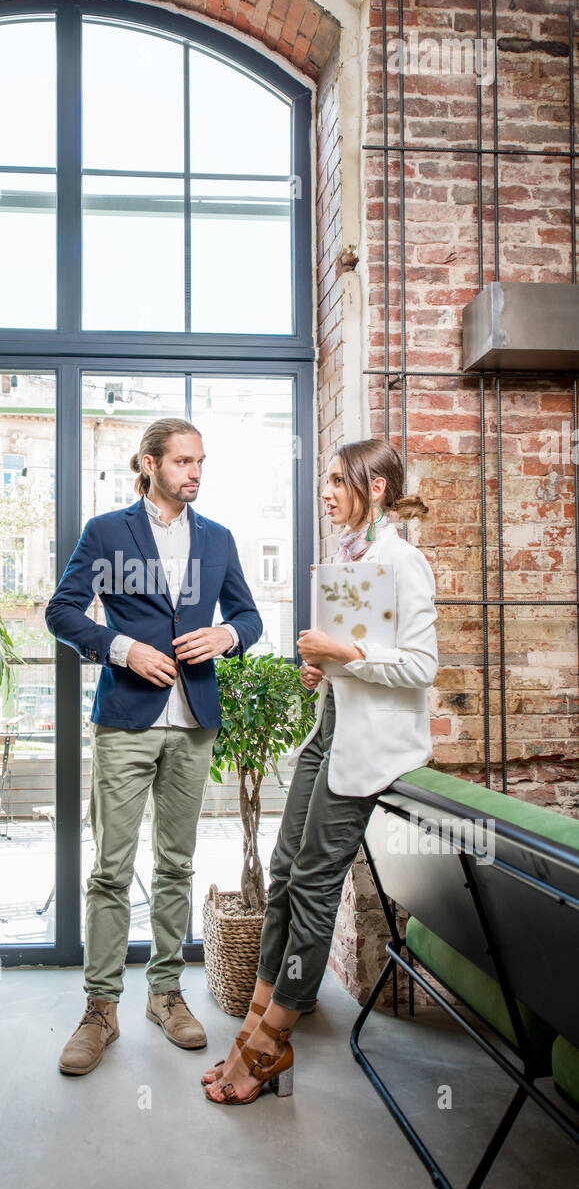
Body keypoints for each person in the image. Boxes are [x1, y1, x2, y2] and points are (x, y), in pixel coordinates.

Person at [203, 437, 439, 1105]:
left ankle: (272, 1040)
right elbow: (353, 660)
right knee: (283, 874)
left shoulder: (404, 563)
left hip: (371, 746)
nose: (327, 491)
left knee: (310, 886)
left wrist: (342, 651)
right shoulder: (345, 559)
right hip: (328, 731)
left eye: (340, 480)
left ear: (379, 489)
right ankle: (254, 1018)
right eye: (327, 480)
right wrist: (322, 667)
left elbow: (420, 668)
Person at [46, 417, 263, 1076]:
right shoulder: (107, 532)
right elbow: (62, 611)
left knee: (176, 864)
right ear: (149, 464)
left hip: (194, 720)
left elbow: (249, 616)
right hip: (124, 721)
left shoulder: (218, 539)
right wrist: (121, 648)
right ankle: (99, 1008)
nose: (194, 473)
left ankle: (165, 994)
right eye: (182, 462)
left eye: (200, 462)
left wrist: (225, 637)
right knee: (111, 870)